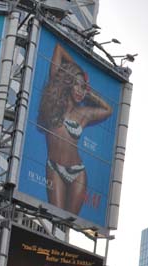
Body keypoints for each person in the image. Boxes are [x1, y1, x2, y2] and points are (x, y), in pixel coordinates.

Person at [36, 43, 113, 215]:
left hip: (78, 172)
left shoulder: (84, 114)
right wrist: (78, 71)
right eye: (77, 85)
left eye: (83, 88)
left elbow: (109, 109)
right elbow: (58, 49)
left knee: (69, 222)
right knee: (55, 217)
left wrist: (88, 90)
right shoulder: (55, 101)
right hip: (54, 167)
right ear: (68, 82)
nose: (80, 91)